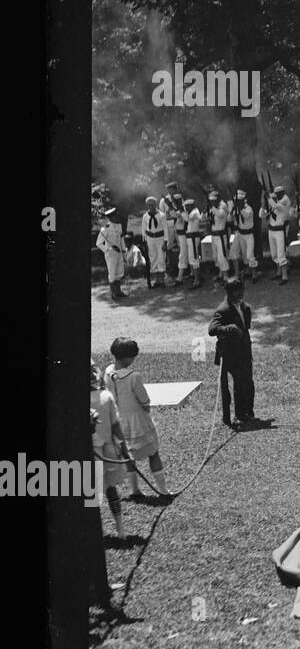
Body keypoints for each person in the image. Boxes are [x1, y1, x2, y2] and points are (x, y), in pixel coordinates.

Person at [104, 338, 170, 498]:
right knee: (153, 453)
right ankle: (163, 490)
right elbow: (144, 400)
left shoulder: (108, 371)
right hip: (138, 421)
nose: (133, 360)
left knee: (128, 457)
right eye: (132, 357)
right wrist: (146, 406)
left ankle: (134, 490)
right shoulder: (134, 377)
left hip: (120, 422)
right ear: (126, 357)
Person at [208, 279, 260, 430]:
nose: (243, 293)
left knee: (248, 383)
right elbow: (212, 329)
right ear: (231, 293)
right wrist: (229, 328)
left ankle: (248, 411)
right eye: (240, 290)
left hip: (244, 351)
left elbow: (245, 327)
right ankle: (239, 414)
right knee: (239, 384)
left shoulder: (243, 306)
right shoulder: (223, 310)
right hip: (231, 354)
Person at [91, 362, 128, 537]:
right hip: (108, 450)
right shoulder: (106, 396)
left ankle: (99, 530)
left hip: (92, 453)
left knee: (93, 495)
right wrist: (124, 448)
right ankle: (120, 528)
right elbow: (116, 426)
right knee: (110, 489)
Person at [97, 205, 128, 301]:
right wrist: (108, 249)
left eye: (117, 215)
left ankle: (118, 291)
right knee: (112, 273)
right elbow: (98, 243)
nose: (117, 217)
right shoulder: (106, 228)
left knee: (119, 272)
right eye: (115, 215)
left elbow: (121, 239)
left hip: (119, 253)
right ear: (111, 217)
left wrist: (123, 251)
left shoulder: (119, 226)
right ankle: (113, 293)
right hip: (111, 254)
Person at [230, 189, 258, 282]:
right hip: (241, 234)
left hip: (249, 234)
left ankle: (254, 274)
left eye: (239, 201)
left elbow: (245, 215)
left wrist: (239, 208)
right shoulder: (237, 209)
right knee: (245, 255)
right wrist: (233, 210)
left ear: (243, 201)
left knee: (250, 254)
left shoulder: (248, 208)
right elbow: (229, 219)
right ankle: (248, 271)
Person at [140, 196, 167, 289]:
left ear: (156, 204)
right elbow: (143, 229)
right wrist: (144, 242)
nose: (151, 206)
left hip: (160, 238)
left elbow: (166, 229)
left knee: (161, 258)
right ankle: (156, 281)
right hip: (150, 239)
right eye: (149, 204)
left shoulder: (162, 215)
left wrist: (165, 242)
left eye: (153, 204)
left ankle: (162, 280)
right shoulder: (145, 216)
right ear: (147, 205)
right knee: (153, 258)